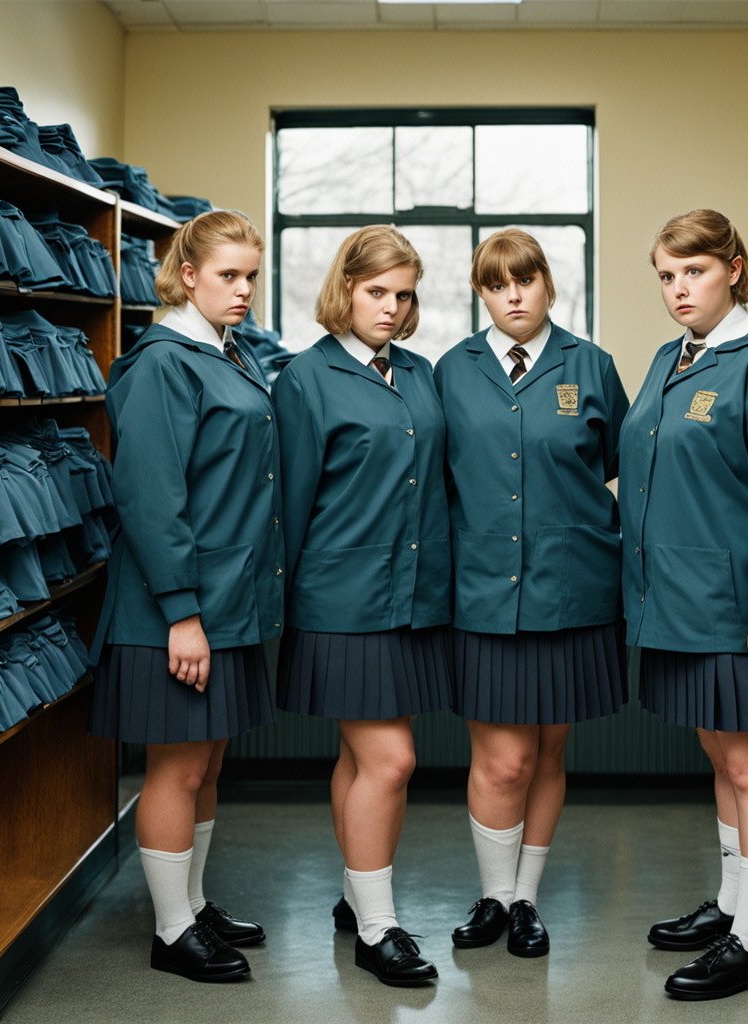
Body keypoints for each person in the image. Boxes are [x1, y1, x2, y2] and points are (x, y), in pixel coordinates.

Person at [620, 209, 748, 999]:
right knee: (722, 759)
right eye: (667, 276)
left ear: (735, 269)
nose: (679, 289)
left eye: (695, 272)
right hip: (683, 602)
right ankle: (736, 903)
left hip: (745, 610)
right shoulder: (671, 360)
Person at [88, 211, 283, 982]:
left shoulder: (224, 354)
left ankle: (192, 904)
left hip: (223, 600)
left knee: (205, 766)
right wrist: (183, 615)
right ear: (188, 274)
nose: (242, 291)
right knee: (175, 769)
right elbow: (149, 498)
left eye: (251, 277)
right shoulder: (164, 363)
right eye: (227, 275)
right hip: (177, 611)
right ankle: (172, 932)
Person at [434, 229, 629, 958]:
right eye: (495, 284)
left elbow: (614, 465)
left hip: (573, 589)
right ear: (481, 293)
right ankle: (492, 895)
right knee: (502, 761)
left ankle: (525, 902)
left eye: (525, 280)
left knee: (548, 753)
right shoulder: (452, 370)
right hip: (484, 592)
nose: (513, 295)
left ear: (549, 283)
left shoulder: (593, 366)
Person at [274, 225, 451, 987]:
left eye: (404, 294)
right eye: (377, 291)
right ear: (345, 289)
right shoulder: (304, 380)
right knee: (394, 760)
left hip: (414, 598)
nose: (391, 306)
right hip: (343, 599)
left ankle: (357, 894)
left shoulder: (418, 373)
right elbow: (288, 501)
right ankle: (379, 929)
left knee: (360, 758)